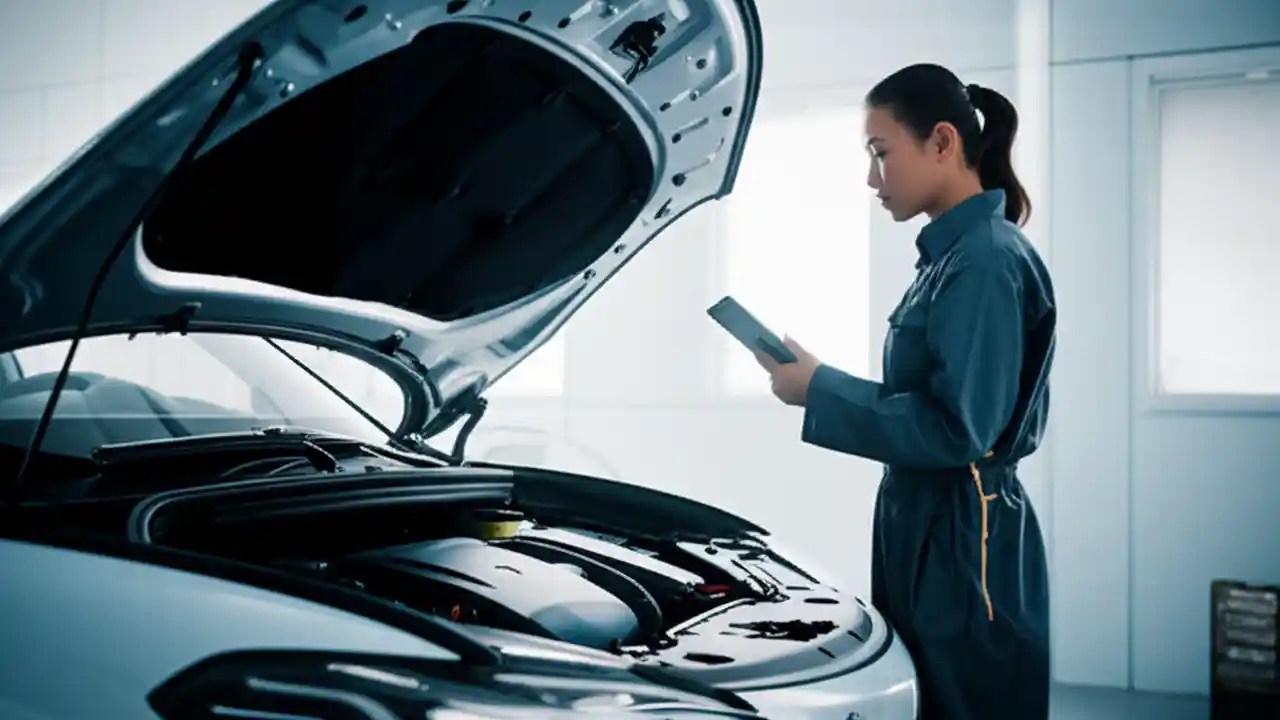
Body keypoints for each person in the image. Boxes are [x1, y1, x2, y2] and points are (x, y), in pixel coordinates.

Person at [753, 62, 1055, 720]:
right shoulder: (954, 257)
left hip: (958, 533)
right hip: (931, 518)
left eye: (880, 153)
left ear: (942, 143)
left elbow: (958, 429)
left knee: (960, 703)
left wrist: (821, 391)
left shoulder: (982, 261)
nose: (871, 178)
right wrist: (819, 383)